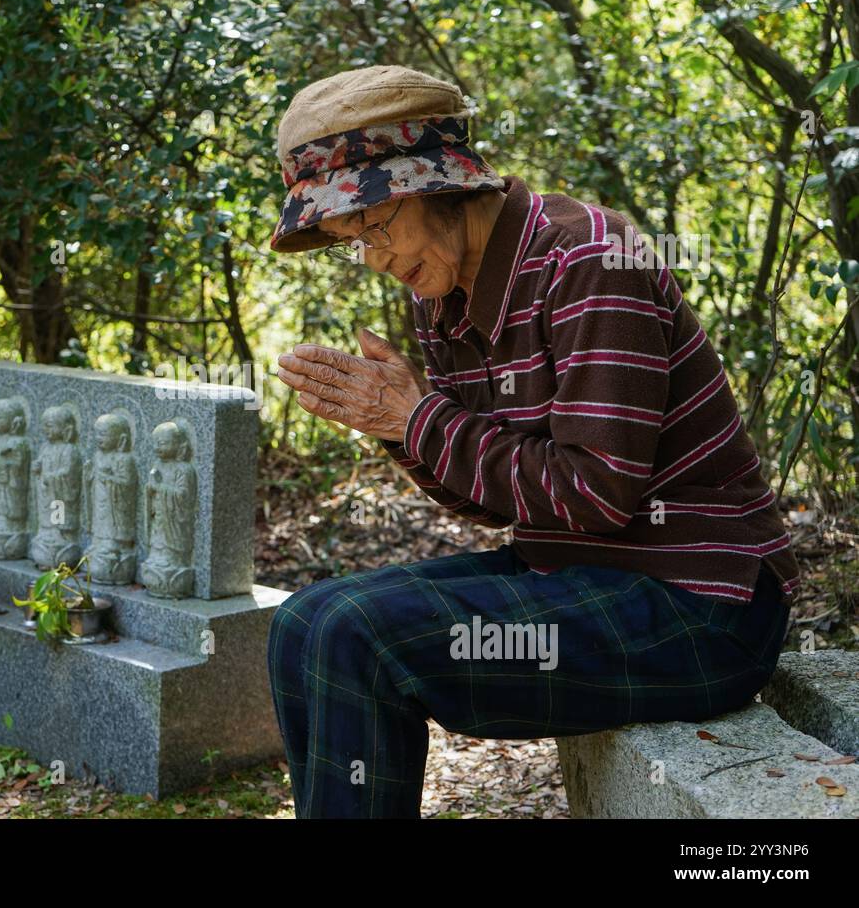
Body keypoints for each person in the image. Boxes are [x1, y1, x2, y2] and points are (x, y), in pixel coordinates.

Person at [268, 64, 799, 819]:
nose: (376, 258)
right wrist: (397, 428)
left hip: (703, 606)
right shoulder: (441, 291)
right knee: (302, 624)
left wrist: (419, 419)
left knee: (358, 639)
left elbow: (594, 492)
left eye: (377, 223)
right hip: (573, 570)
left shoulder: (586, 257)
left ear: (438, 183)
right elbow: (495, 499)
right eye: (351, 240)